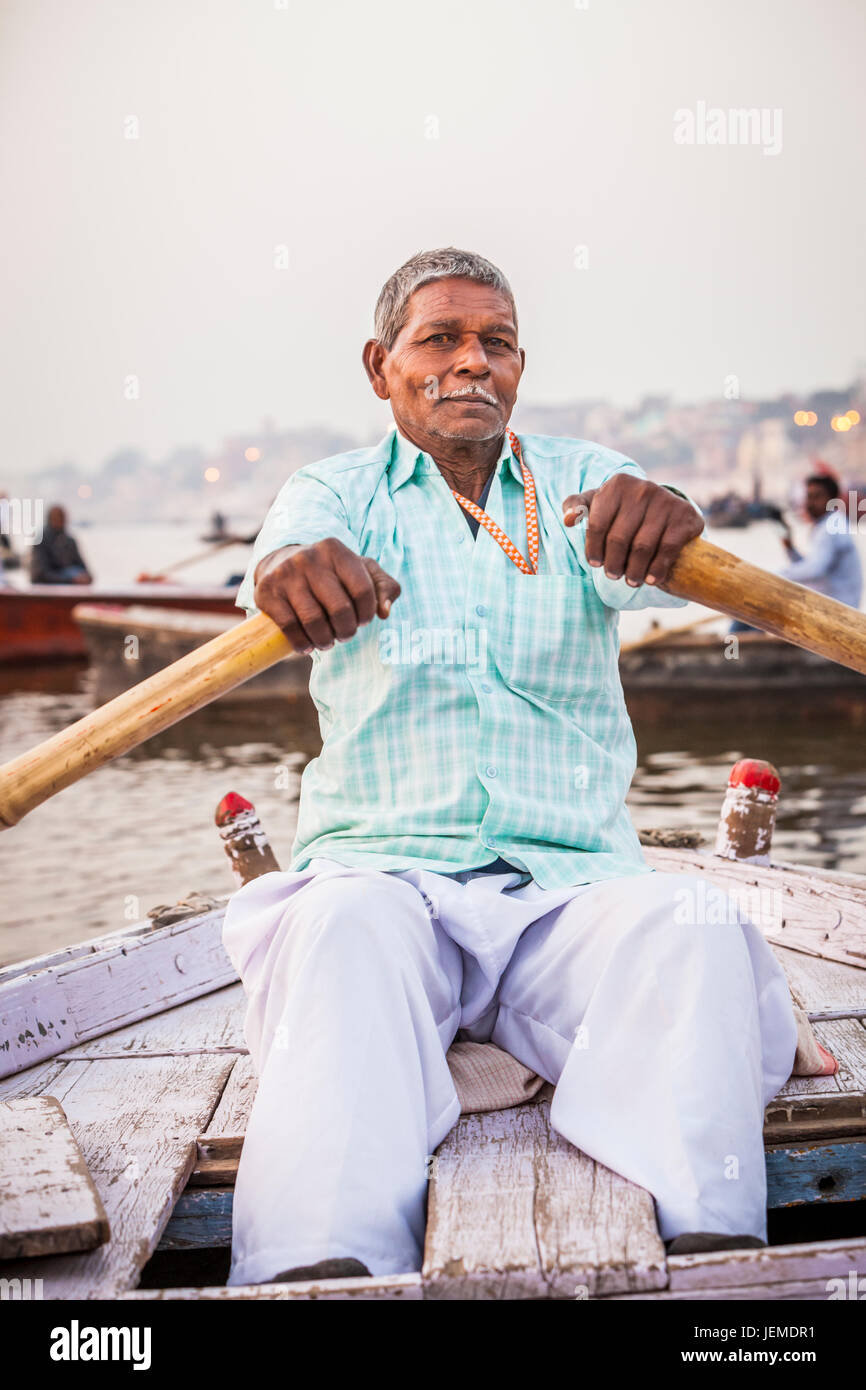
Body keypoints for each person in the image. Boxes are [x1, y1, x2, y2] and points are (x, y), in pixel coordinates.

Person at [222, 248, 797, 1285]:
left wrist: (664, 514)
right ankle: (318, 1266)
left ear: (519, 368)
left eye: (494, 342)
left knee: (690, 926)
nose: (469, 362)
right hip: (384, 879)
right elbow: (282, 560)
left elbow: (655, 546)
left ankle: (720, 1270)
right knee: (341, 928)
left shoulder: (579, 485)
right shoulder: (333, 493)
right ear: (379, 365)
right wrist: (290, 573)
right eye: (438, 338)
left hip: (567, 892)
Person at [730, 472, 863, 632]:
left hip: (838, 611)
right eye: (809, 497)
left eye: (817, 497)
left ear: (833, 501)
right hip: (825, 606)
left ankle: (736, 650)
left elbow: (814, 570)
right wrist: (786, 538)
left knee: (756, 607)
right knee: (752, 611)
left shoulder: (832, 526)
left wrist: (772, 577)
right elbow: (808, 567)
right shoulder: (825, 525)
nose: (810, 503)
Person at [29, 505, 92, 585]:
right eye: (58, 517)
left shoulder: (69, 541)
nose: (62, 520)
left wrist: (86, 577)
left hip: (68, 586)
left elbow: (83, 568)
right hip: (47, 587)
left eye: (63, 517)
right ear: (50, 519)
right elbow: (40, 574)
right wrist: (71, 580)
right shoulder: (41, 540)